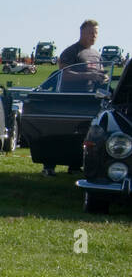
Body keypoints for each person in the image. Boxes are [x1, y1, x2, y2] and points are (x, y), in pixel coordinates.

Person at [44, 19, 104, 175]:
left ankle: (75, 166)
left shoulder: (96, 54)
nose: (94, 36)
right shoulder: (71, 52)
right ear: (82, 32)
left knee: (83, 136)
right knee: (61, 134)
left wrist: (103, 78)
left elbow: (101, 72)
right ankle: (49, 166)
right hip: (69, 100)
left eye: (96, 32)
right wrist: (88, 75)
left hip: (89, 101)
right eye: (91, 32)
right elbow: (64, 74)